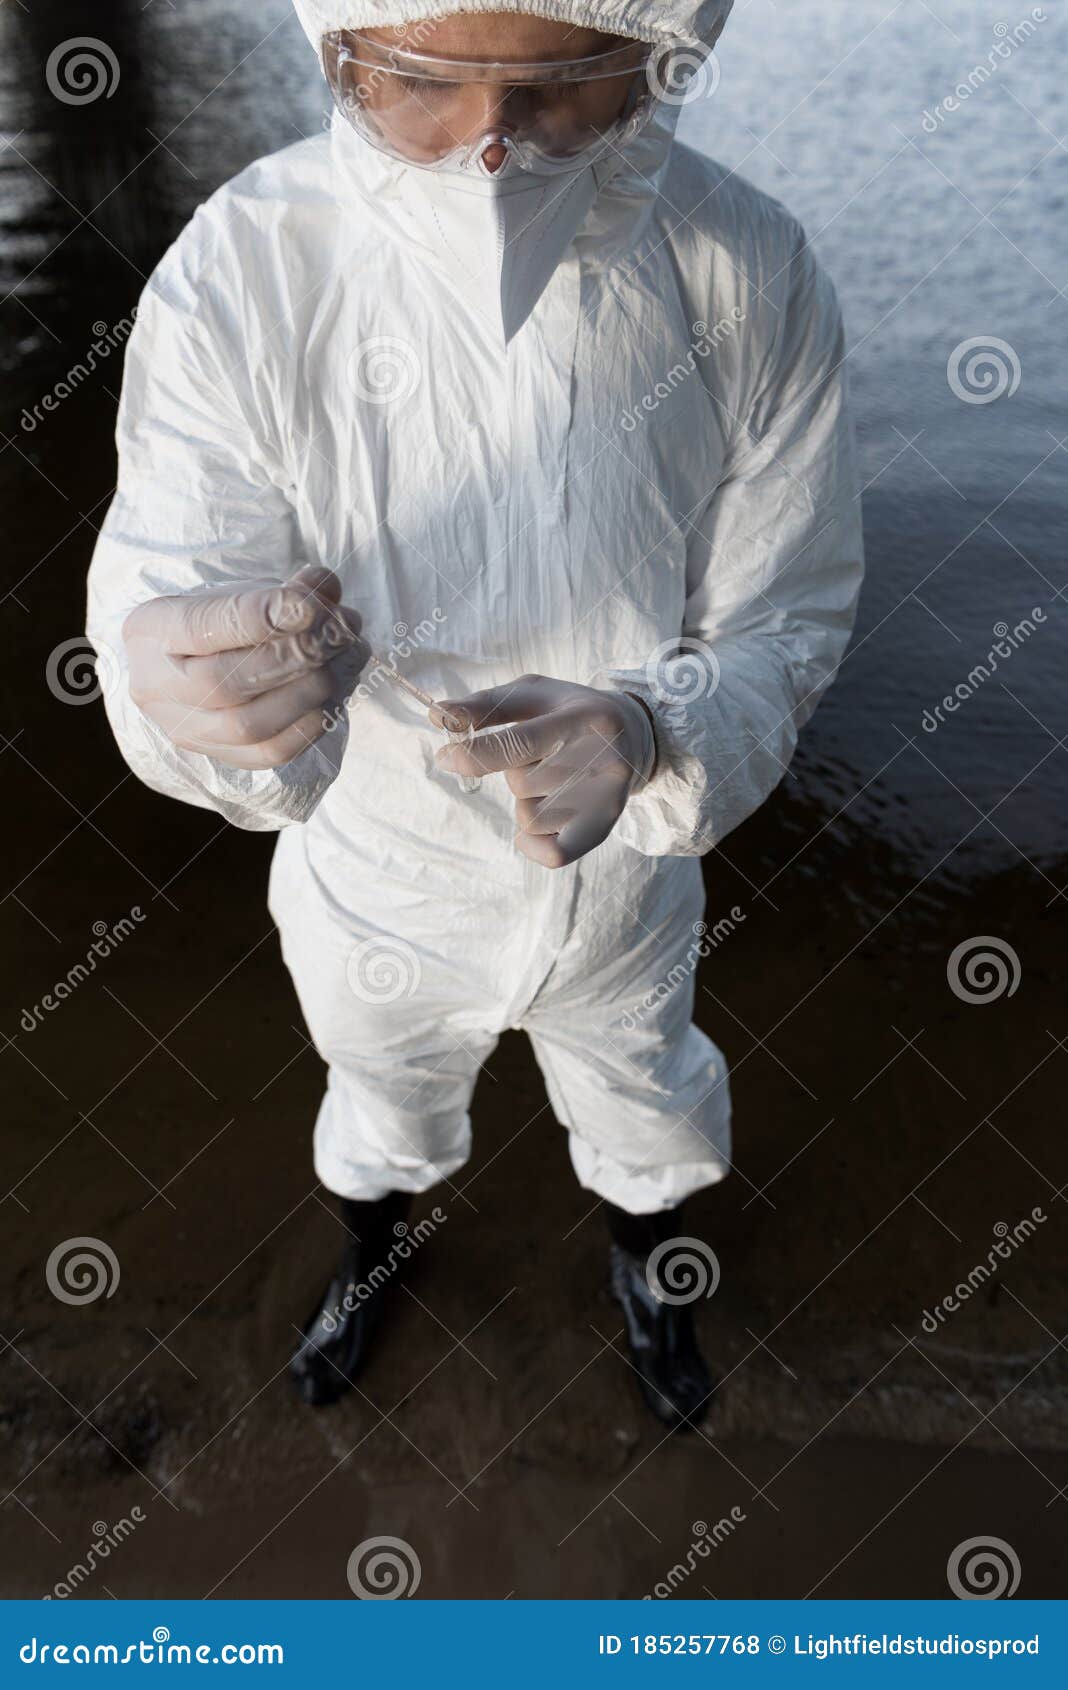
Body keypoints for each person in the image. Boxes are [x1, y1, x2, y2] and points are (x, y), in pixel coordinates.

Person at [86, 0, 863, 1431]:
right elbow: (173, 566)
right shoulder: (248, 274)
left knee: (646, 1100)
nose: (491, 145)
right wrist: (185, 684)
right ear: (339, 52)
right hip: (376, 878)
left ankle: (651, 1276)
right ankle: (371, 1253)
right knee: (379, 1098)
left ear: (658, 57)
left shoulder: (745, 272)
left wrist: (653, 730)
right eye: (422, 83)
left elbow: (786, 615)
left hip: (625, 883)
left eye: (563, 84)